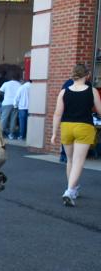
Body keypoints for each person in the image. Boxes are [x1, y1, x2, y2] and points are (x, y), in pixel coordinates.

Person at [50, 64, 101, 207]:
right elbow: (100, 110)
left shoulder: (64, 92)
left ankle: (73, 188)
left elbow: (57, 114)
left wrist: (54, 133)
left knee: (70, 161)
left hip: (67, 127)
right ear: (87, 75)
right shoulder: (92, 91)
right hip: (84, 127)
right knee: (79, 162)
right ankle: (69, 191)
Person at [0, 71, 22, 139]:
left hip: (6, 103)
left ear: (11, 77)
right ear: (18, 78)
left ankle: (1, 133)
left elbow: (0, 92)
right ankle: (11, 134)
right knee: (13, 119)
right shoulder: (20, 85)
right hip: (15, 104)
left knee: (4, 119)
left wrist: (6, 95)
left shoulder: (6, 83)